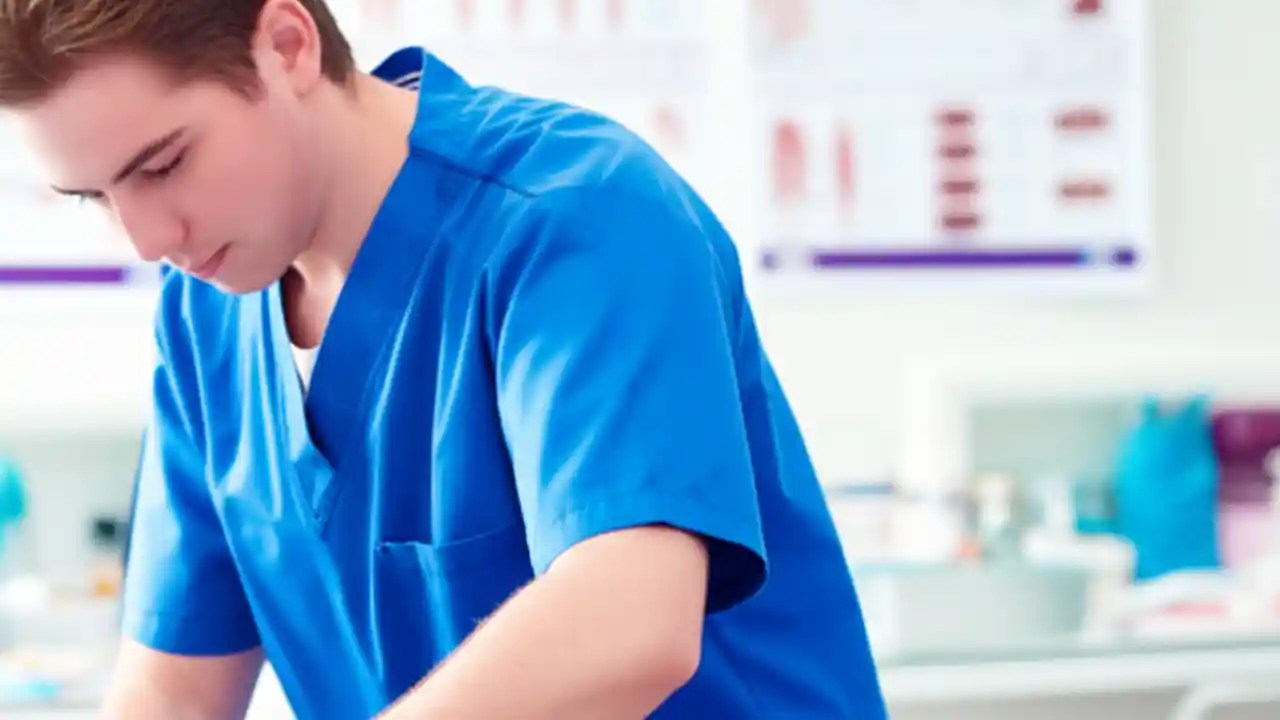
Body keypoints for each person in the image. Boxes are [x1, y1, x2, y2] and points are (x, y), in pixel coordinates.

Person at [0, 1, 887, 718]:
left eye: (164, 165)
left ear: (286, 45)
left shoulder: (574, 216)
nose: (149, 239)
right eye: (94, 197)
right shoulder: (206, 315)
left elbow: (631, 624)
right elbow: (175, 689)